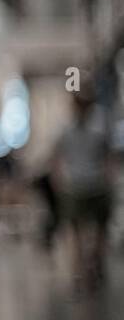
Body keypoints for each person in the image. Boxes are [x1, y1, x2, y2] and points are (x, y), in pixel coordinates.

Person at [51, 92, 113, 287]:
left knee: (95, 230)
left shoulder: (98, 128)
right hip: (78, 186)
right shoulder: (68, 129)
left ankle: (92, 264)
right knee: (78, 231)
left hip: (94, 184)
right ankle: (81, 268)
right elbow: (57, 156)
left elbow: (107, 156)